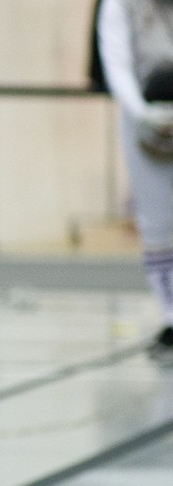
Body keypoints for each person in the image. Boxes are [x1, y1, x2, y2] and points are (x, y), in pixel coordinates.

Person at [98, 0, 173, 363]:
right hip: (143, 122)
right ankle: (171, 318)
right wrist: (145, 115)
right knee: (157, 225)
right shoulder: (120, 4)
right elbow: (117, 63)